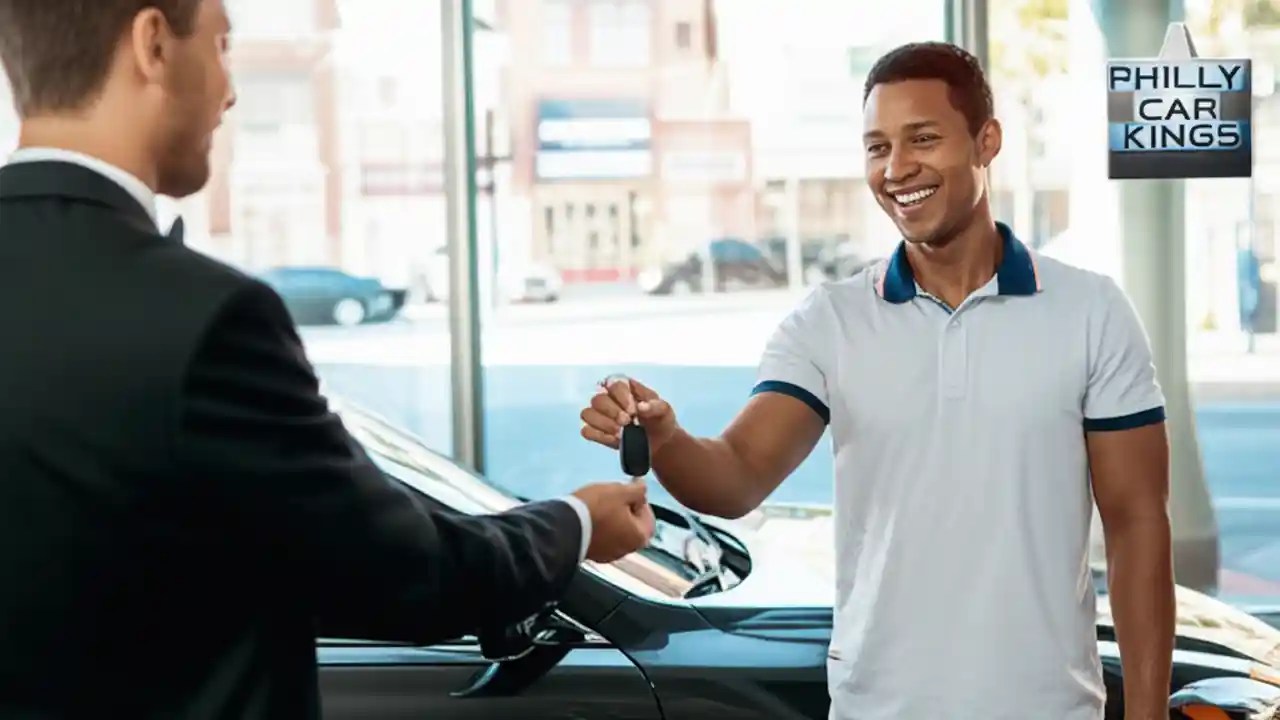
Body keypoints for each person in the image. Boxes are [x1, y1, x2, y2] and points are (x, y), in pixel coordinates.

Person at [0, 1, 655, 717]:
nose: (230, 88)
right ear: (153, 43)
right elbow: (403, 574)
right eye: (221, 45)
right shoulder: (206, 316)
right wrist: (578, 522)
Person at [582, 42, 1174, 720]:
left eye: (923, 139)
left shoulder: (1090, 311)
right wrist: (668, 438)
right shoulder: (831, 322)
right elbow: (736, 476)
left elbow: (1137, 526)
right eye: (876, 147)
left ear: (987, 141)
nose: (897, 169)